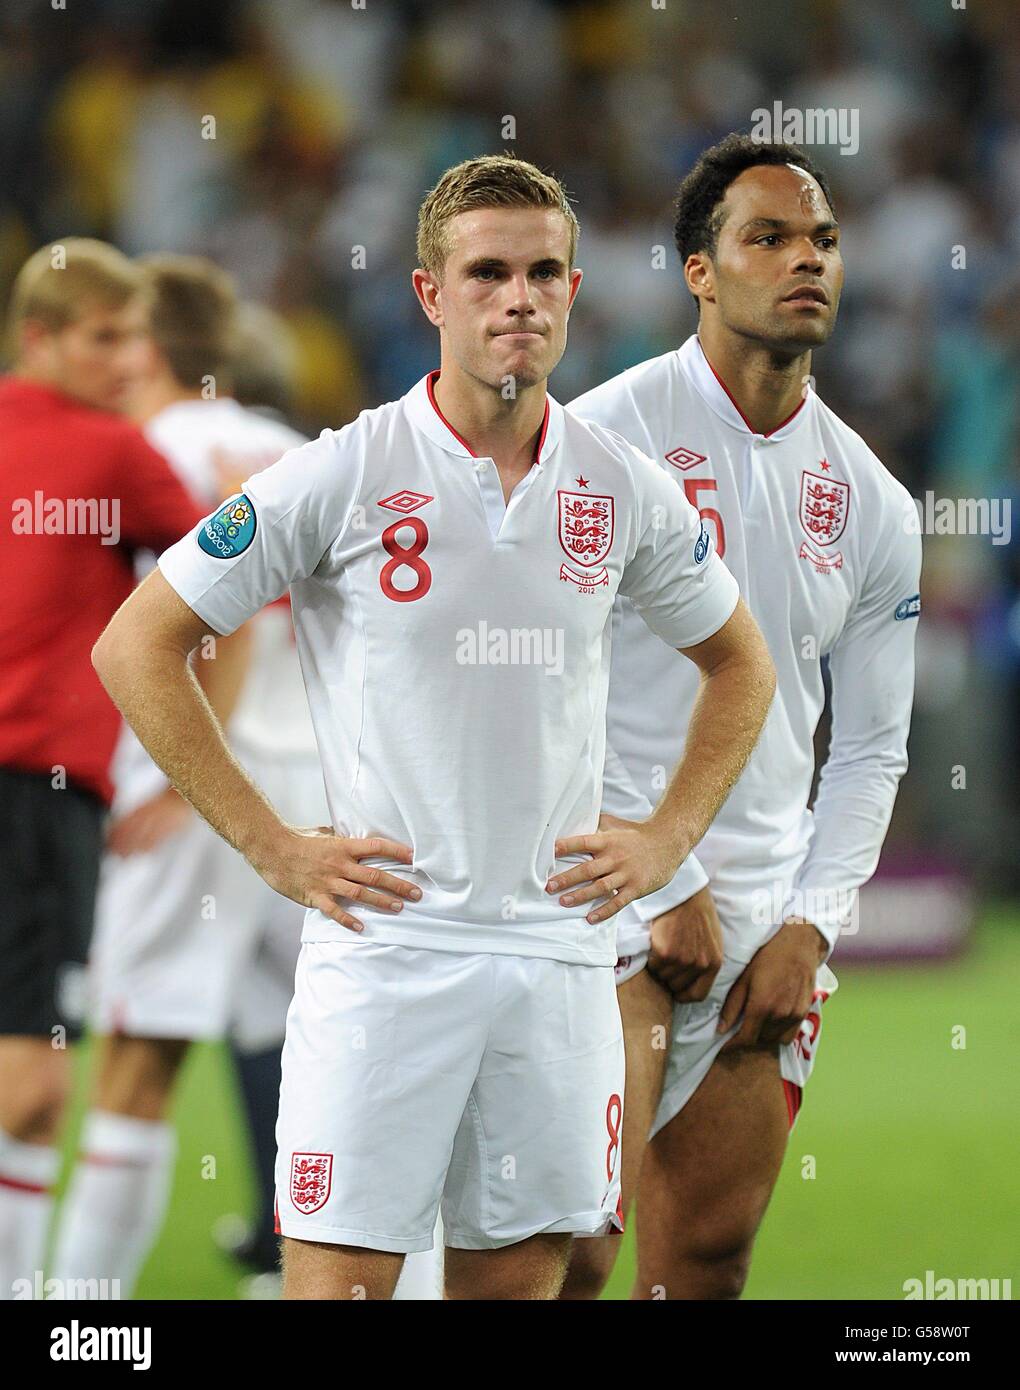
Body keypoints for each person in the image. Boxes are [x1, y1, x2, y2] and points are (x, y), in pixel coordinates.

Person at [91, 154, 776, 1301]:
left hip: (556, 963)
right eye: (489, 272)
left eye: (544, 271)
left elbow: (742, 663)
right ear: (431, 295)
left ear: (572, 290)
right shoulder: (342, 472)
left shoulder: (621, 485)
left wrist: (667, 839)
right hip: (389, 958)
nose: (520, 297)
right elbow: (136, 642)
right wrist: (273, 844)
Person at [563, 134, 921, 1299]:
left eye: (821, 238)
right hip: (600, 892)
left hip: (766, 924)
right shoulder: (601, 442)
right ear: (698, 270)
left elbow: (868, 748)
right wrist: (664, 875)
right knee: (565, 1250)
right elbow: (534, 690)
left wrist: (812, 925)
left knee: (705, 1266)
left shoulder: (870, 497)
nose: (804, 258)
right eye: (766, 237)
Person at [49, 256, 328, 1300]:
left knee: (138, 1057)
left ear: (148, 346)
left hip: (203, 789)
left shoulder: (143, 451)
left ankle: (77, 1314)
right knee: (324, 1062)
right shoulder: (296, 450)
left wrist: (177, 774)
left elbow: (219, 612)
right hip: (318, 799)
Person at [0, 239, 204, 1298]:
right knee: (32, 1081)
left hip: (41, 798)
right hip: (34, 800)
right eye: (105, 337)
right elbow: (232, 577)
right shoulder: (115, 451)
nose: (130, 359)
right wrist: (191, 766)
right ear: (42, 337)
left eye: (138, 337)